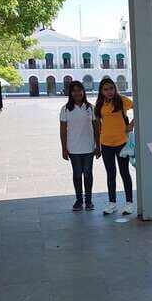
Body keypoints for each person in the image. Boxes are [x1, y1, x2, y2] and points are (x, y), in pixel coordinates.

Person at [94, 77, 134, 216]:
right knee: (111, 174)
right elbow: (99, 124)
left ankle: (129, 203)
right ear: (101, 91)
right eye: (106, 89)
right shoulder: (100, 104)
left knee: (124, 173)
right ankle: (112, 204)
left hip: (122, 142)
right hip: (105, 144)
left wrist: (131, 125)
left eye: (111, 88)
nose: (109, 91)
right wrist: (97, 144)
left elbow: (139, 108)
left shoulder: (122, 100)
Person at [60, 80, 100, 211]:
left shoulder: (91, 108)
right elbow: (63, 130)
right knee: (77, 174)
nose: (77, 93)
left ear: (84, 91)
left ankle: (88, 201)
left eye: (79, 90)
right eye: (74, 91)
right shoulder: (65, 109)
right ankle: (78, 200)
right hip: (73, 148)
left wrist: (98, 146)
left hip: (89, 147)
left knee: (88, 174)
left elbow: (96, 128)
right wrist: (64, 148)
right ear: (70, 93)